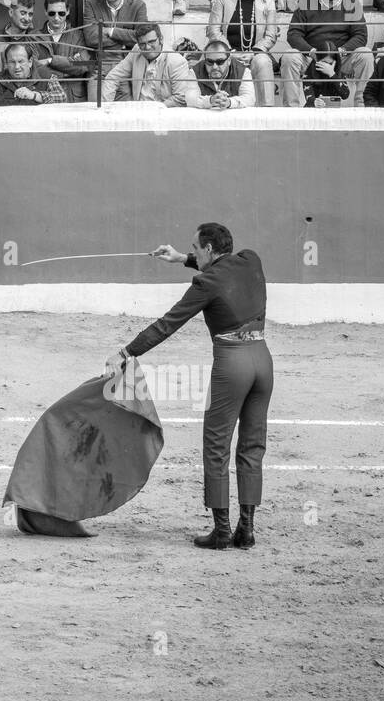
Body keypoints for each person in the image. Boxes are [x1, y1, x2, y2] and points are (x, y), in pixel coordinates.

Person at [107, 225, 272, 550]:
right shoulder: (251, 261)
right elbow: (226, 271)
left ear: (209, 249)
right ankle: (247, 529)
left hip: (232, 365)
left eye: (195, 248)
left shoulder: (206, 282)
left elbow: (167, 325)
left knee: (216, 446)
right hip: (263, 362)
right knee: (252, 445)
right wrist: (181, 258)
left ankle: (221, 532)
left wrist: (127, 352)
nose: (193, 252)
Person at [280, 0, 373, 107]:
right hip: (311, 57)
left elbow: (360, 35)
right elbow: (293, 34)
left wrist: (341, 52)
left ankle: (363, 107)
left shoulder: (352, 3)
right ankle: (292, 109)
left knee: (365, 55)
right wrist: (311, 51)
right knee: (289, 57)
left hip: (342, 57)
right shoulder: (306, 1)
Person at [205, 0, 278, 105]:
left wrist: (253, 53)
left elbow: (271, 35)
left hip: (254, 54)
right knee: (219, 61)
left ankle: (268, 112)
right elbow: (213, 30)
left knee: (262, 61)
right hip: (228, 54)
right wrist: (229, 53)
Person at [80, 0, 145, 91]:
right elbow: (91, 38)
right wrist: (124, 42)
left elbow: (141, 37)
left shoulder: (138, 6)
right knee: (94, 108)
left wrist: (111, 31)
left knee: (126, 109)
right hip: (100, 67)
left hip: (127, 67)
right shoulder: (91, 4)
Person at [100, 23, 193, 104]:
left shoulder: (176, 61)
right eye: (142, 44)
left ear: (161, 39)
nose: (147, 47)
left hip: (163, 113)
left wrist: (154, 110)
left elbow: (180, 98)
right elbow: (113, 77)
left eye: (151, 42)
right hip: (138, 111)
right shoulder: (137, 50)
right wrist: (105, 107)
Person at [0, 42, 65, 106]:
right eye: (12, 62)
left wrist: (35, 95)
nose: (16, 67)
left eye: (21, 61)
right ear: (6, 63)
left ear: (30, 62)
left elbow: (61, 97)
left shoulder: (46, 76)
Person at [187, 40, 256, 110]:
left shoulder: (243, 71)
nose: (214, 67)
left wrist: (229, 102)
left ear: (229, 61)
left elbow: (250, 99)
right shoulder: (195, 71)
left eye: (220, 62)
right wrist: (210, 100)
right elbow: (190, 99)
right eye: (209, 62)